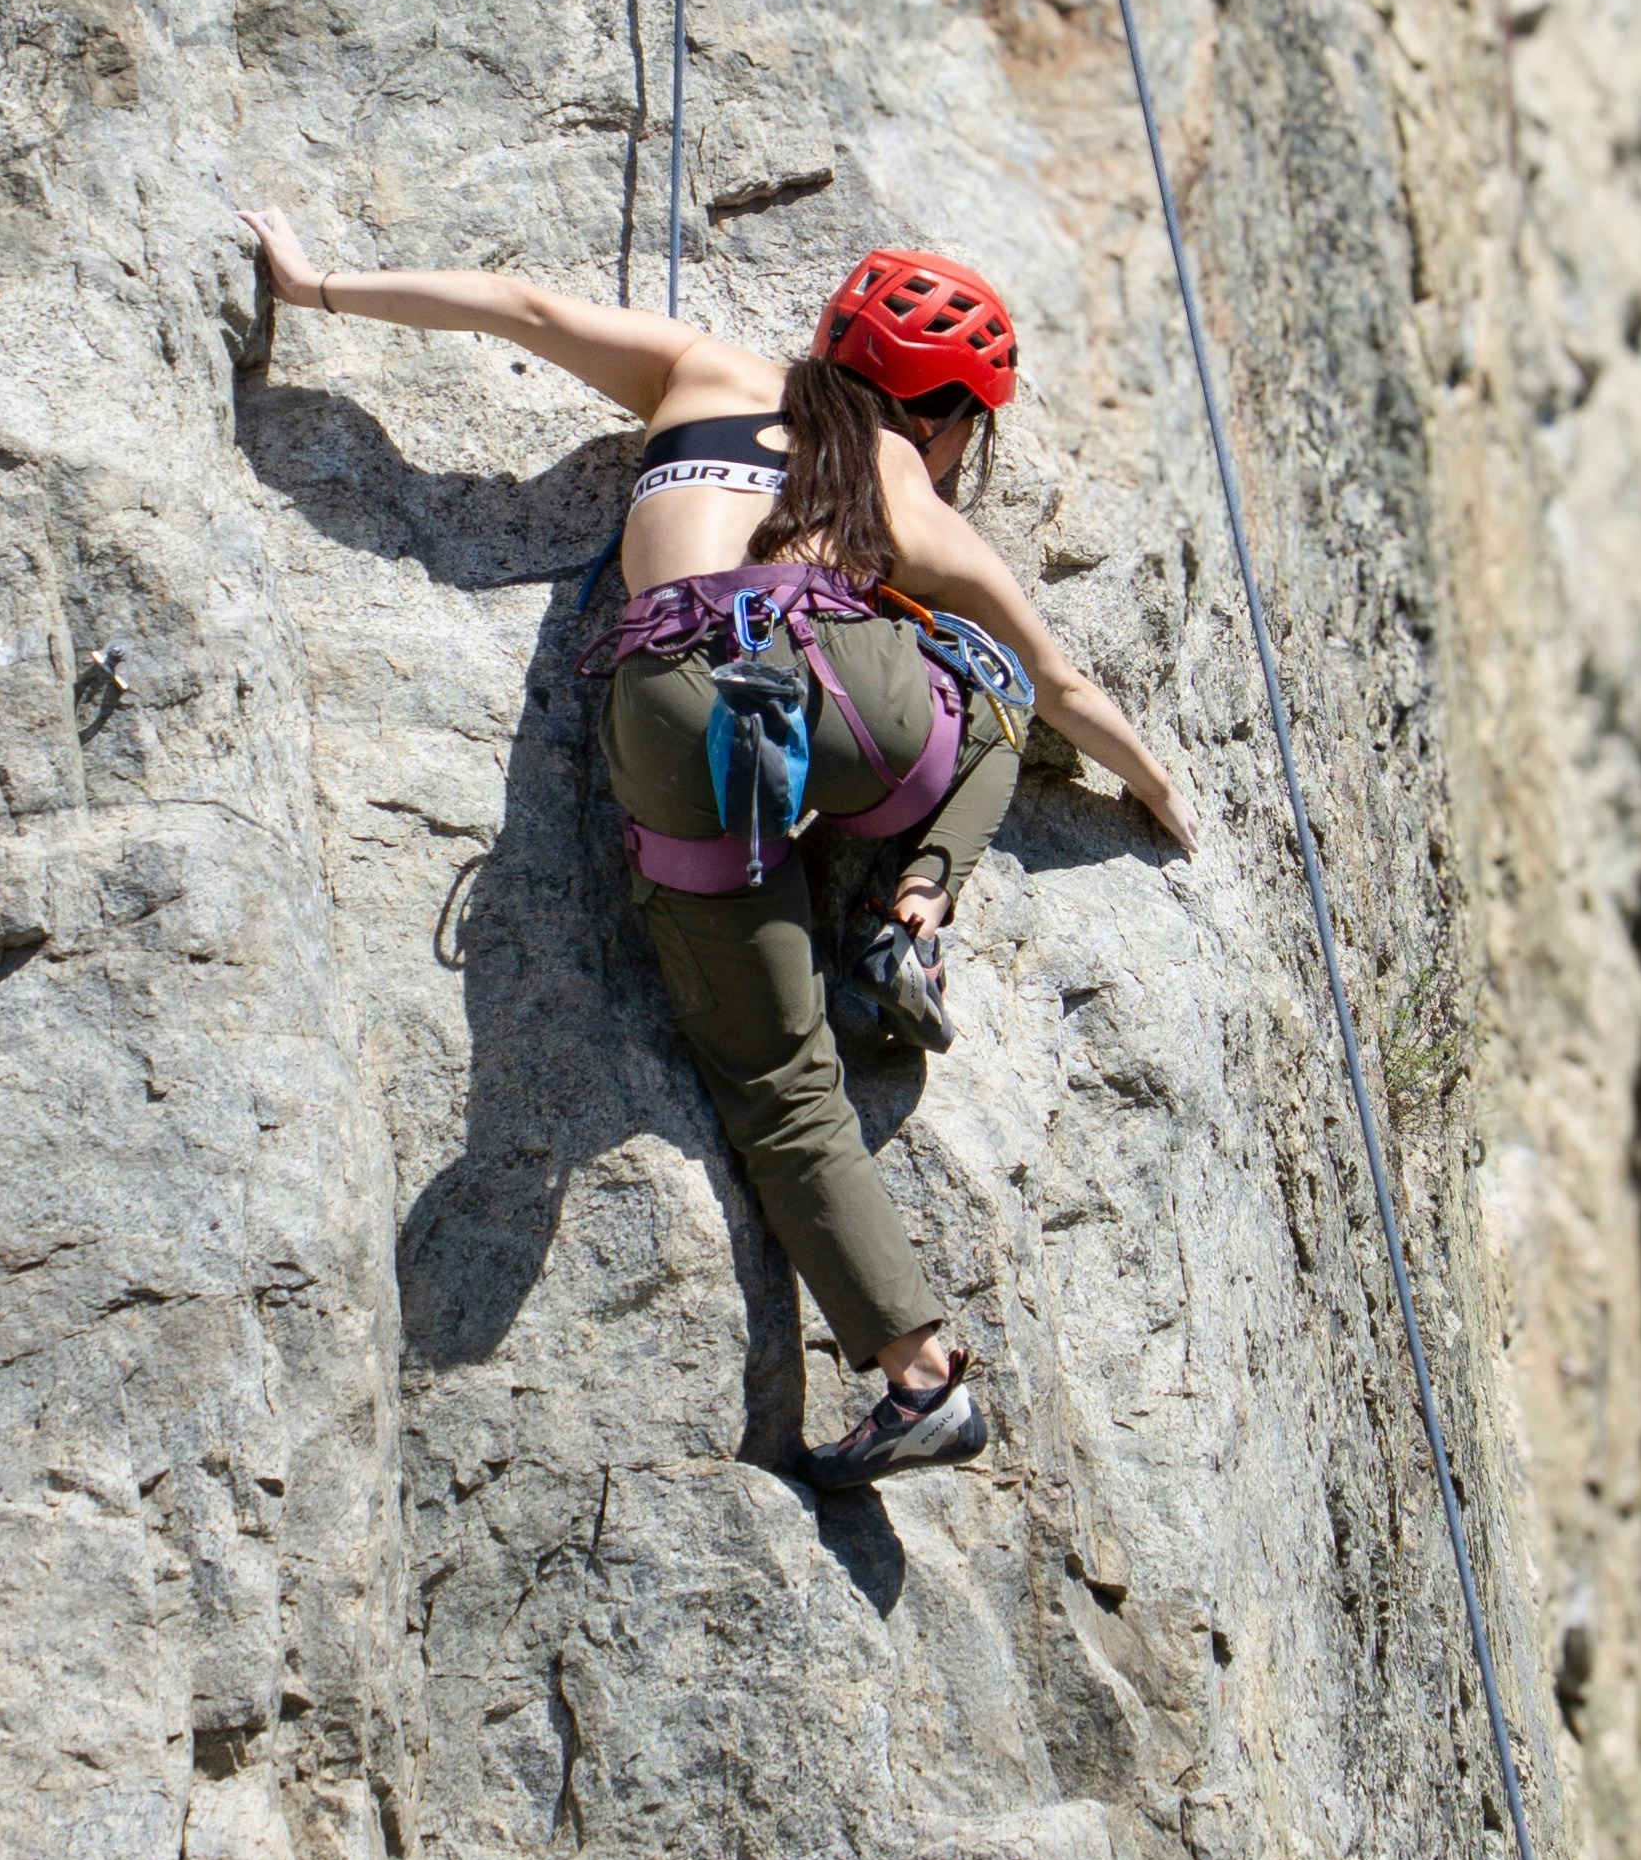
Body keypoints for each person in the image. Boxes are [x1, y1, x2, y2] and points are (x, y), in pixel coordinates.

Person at [235, 215, 1196, 1487]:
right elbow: (1055, 678)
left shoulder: (703, 368)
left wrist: (318, 286)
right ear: (948, 414)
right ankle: (912, 901)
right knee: (991, 691)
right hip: (843, 699)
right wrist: (1162, 793)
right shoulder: (904, 490)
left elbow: (520, 301)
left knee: (780, 1089)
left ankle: (922, 1375)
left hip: (674, 716)